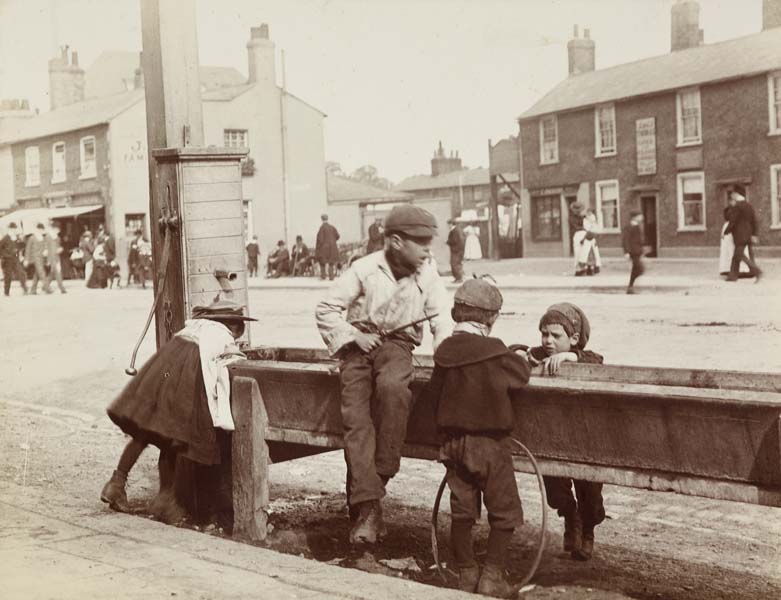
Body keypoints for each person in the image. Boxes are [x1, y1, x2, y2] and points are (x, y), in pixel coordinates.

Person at [315, 204, 451, 545]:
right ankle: (369, 509)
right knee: (356, 417)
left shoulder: (428, 274)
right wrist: (355, 336)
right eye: (420, 242)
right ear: (394, 242)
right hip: (357, 348)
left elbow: (442, 320)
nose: (426, 250)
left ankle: (376, 483)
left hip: (398, 348)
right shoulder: (363, 269)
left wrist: (449, 360)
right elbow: (326, 309)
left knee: (394, 390)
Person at [100, 298, 256, 522]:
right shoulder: (220, 334)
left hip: (160, 377)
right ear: (231, 324)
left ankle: (117, 483)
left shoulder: (193, 328)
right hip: (183, 384)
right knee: (178, 439)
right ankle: (168, 499)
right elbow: (227, 364)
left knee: (145, 434)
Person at [428, 278, 530, 595]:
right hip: (490, 445)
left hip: (454, 446)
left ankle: (466, 572)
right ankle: (492, 578)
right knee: (505, 511)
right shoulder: (496, 351)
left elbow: (432, 396)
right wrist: (520, 356)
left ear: (457, 314)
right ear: (490, 318)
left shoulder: (445, 351)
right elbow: (520, 376)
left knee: (462, 511)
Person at [522, 303, 604, 561]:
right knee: (555, 486)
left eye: (556, 336)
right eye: (544, 334)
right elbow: (516, 350)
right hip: (553, 438)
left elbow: (597, 360)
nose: (548, 341)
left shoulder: (586, 358)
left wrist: (573, 357)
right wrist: (525, 356)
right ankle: (570, 515)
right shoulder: (539, 353)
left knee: (589, 490)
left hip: (584, 438)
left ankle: (587, 528)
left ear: (575, 339)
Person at [724, 191, 761, 283]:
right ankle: (733, 276)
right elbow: (754, 221)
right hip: (748, 234)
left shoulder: (737, 207)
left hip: (740, 236)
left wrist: (725, 231)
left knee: (739, 255)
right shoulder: (749, 206)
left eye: (733, 197)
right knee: (737, 255)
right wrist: (754, 234)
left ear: (736, 196)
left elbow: (733, 221)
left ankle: (757, 271)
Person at [24, 223, 53, 295]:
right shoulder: (32, 238)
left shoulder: (43, 238)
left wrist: (46, 251)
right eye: (40, 230)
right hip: (35, 258)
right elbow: (28, 249)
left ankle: (33, 290)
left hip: (41, 258)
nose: (41, 231)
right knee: (41, 272)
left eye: (42, 230)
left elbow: (45, 246)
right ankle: (47, 288)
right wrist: (26, 259)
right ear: (37, 229)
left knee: (37, 274)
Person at [0, 223, 28, 296]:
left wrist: (23, 240)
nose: (14, 230)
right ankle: (6, 292)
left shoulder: (17, 238)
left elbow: (22, 246)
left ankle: (25, 289)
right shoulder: (5, 238)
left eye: (15, 229)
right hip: (7, 260)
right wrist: (4, 255)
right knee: (8, 276)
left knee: (21, 273)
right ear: (9, 229)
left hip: (15, 259)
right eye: (12, 229)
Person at [622, 210, 645, 294]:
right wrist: (626, 252)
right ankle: (630, 286)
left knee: (636, 268)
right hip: (633, 251)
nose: (642, 217)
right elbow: (625, 240)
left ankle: (630, 287)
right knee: (639, 269)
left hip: (637, 251)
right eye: (640, 216)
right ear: (635, 217)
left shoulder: (637, 226)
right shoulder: (629, 226)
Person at [574, 208, 601, 276]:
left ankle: (586, 269)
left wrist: (584, 238)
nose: (588, 215)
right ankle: (590, 269)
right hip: (590, 238)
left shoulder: (588, 221)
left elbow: (588, 230)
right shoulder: (588, 220)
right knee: (589, 254)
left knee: (586, 254)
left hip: (589, 238)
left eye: (589, 213)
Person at [315, 214, 340, 280]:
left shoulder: (322, 228)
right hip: (332, 249)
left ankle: (323, 276)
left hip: (324, 249)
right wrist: (333, 241)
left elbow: (320, 240)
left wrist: (318, 249)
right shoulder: (332, 227)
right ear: (327, 219)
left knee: (322, 262)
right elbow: (338, 236)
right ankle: (331, 277)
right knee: (331, 263)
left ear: (322, 220)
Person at [45, 224, 67, 294]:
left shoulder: (57, 238)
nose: (58, 231)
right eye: (57, 230)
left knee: (52, 273)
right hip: (51, 257)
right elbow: (46, 248)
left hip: (56, 257)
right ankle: (62, 288)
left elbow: (58, 246)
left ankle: (45, 286)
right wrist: (48, 259)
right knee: (57, 272)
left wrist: (60, 249)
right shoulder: (48, 237)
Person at [446, 218, 465, 283]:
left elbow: (455, 240)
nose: (448, 226)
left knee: (454, 264)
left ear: (451, 224)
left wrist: (448, 242)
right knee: (457, 264)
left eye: (448, 224)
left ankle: (459, 278)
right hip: (458, 250)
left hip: (456, 251)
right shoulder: (458, 230)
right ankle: (458, 278)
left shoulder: (454, 231)